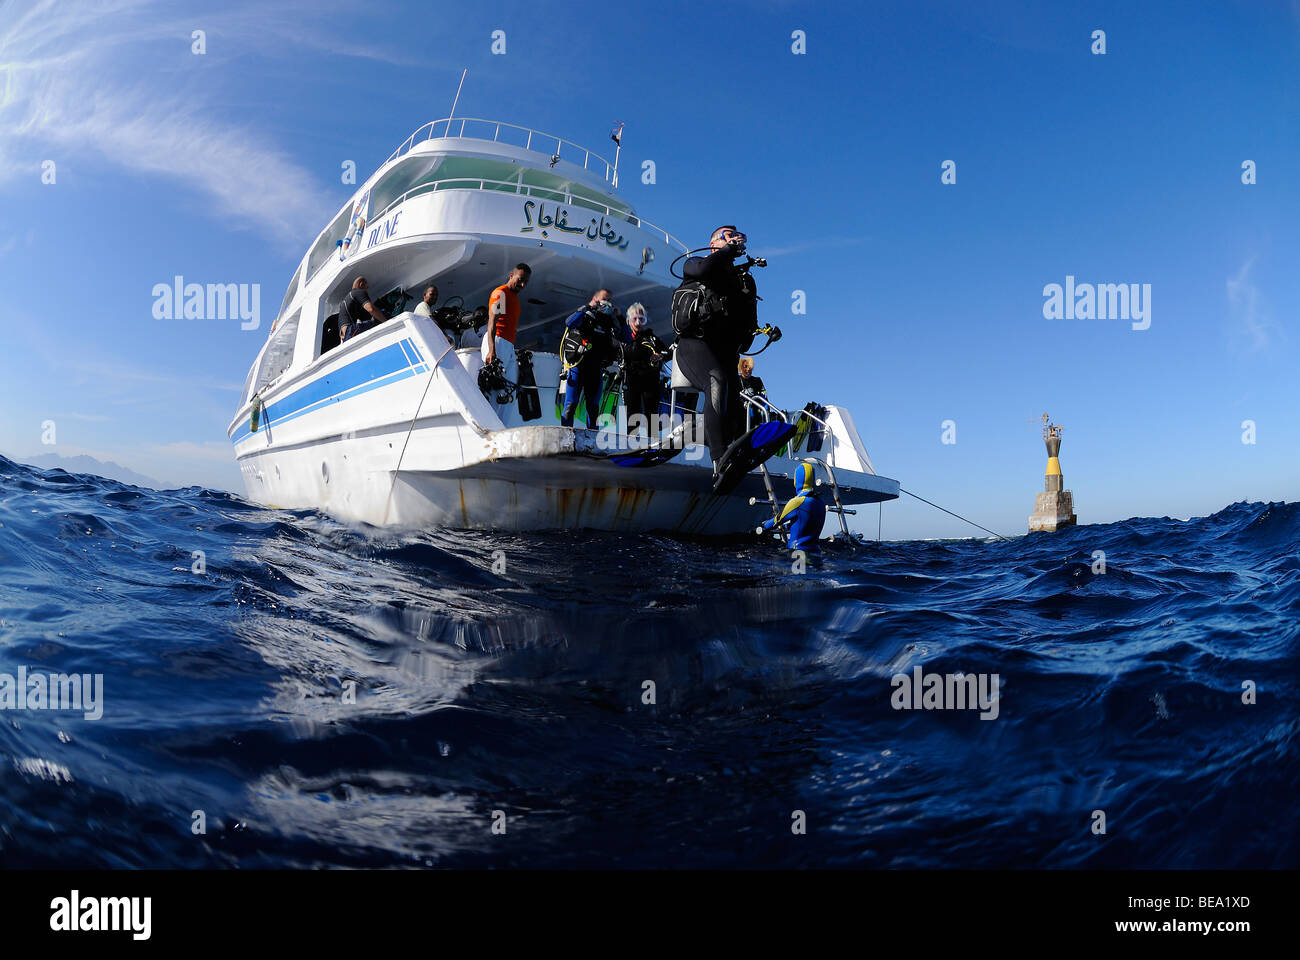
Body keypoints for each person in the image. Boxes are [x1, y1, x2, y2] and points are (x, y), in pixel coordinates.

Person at [674, 225, 759, 470]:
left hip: (724, 350)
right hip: (693, 345)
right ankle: (719, 459)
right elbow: (704, 269)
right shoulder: (695, 263)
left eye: (737, 236)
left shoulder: (740, 278)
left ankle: (730, 450)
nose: (734, 239)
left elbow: (747, 317)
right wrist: (728, 251)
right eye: (728, 236)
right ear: (714, 244)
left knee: (734, 401)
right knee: (716, 381)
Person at [560, 289, 629, 428]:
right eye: (604, 299)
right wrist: (589, 306)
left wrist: (620, 316)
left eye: (609, 300)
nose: (607, 303)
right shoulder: (586, 315)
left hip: (596, 369)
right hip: (578, 366)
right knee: (571, 405)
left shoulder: (608, 322)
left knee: (593, 408)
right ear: (595, 299)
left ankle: (591, 442)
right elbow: (569, 323)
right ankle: (565, 437)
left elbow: (626, 338)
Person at [481, 264, 531, 408]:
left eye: (525, 282)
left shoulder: (514, 297)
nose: (522, 284)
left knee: (508, 389)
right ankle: (487, 424)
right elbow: (492, 323)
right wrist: (492, 350)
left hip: (507, 344)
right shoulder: (501, 294)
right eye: (520, 280)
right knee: (492, 385)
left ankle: (498, 425)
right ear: (511, 275)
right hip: (498, 341)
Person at [758, 462, 826, 557]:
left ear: (797, 480)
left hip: (797, 552)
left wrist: (763, 526)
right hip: (816, 552)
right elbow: (804, 524)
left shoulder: (797, 502)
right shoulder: (820, 502)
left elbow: (777, 520)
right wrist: (786, 527)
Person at [621, 303, 668, 435]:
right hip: (631, 380)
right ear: (628, 320)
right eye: (634, 318)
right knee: (632, 413)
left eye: (641, 319)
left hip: (650, 381)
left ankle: (652, 445)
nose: (638, 322)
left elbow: (666, 352)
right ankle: (631, 443)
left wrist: (659, 356)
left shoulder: (652, 338)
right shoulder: (624, 337)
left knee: (651, 413)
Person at [339, 276, 388, 342]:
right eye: (366, 287)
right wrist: (387, 322)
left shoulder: (346, 301)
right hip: (352, 331)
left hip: (346, 338)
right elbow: (371, 309)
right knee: (383, 313)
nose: (367, 291)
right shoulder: (358, 292)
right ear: (361, 284)